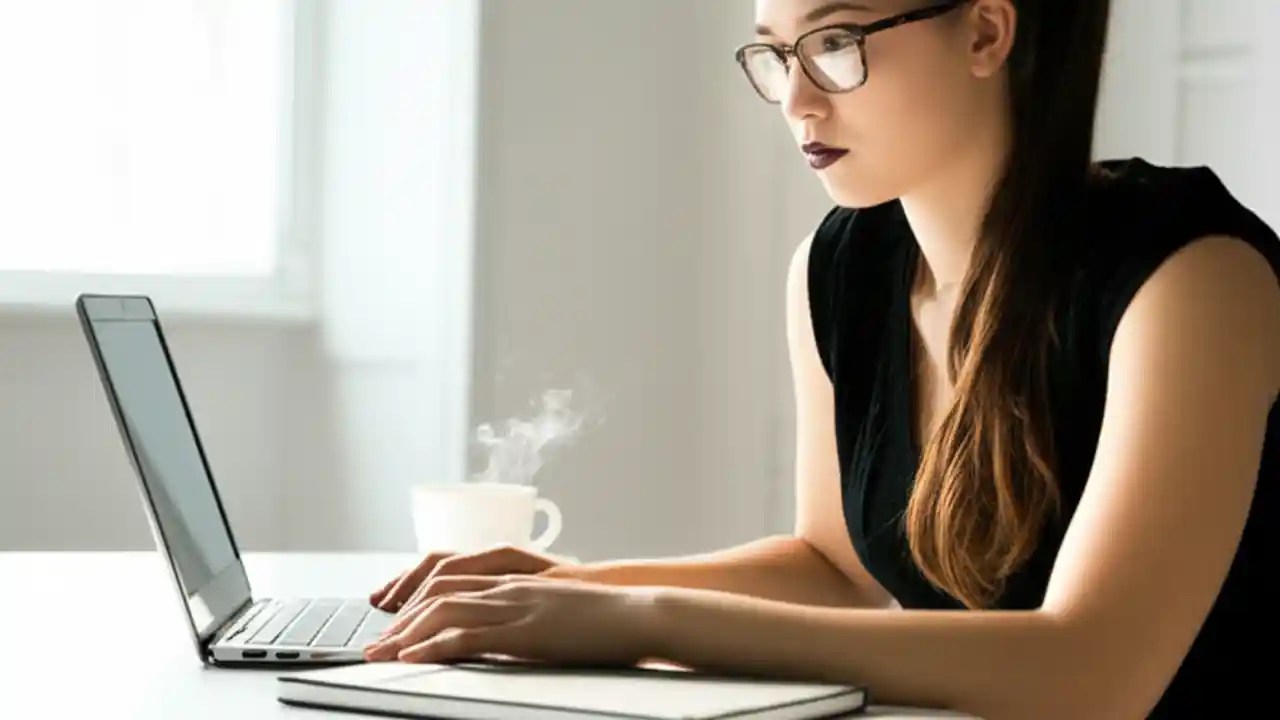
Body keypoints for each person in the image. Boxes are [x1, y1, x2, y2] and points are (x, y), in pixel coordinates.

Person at [364, 1, 1280, 717]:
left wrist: (644, 620)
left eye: (835, 43)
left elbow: (1090, 677)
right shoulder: (839, 269)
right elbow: (836, 568)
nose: (799, 101)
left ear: (987, 32)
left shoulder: (1195, 280)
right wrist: (573, 588)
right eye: (775, 55)